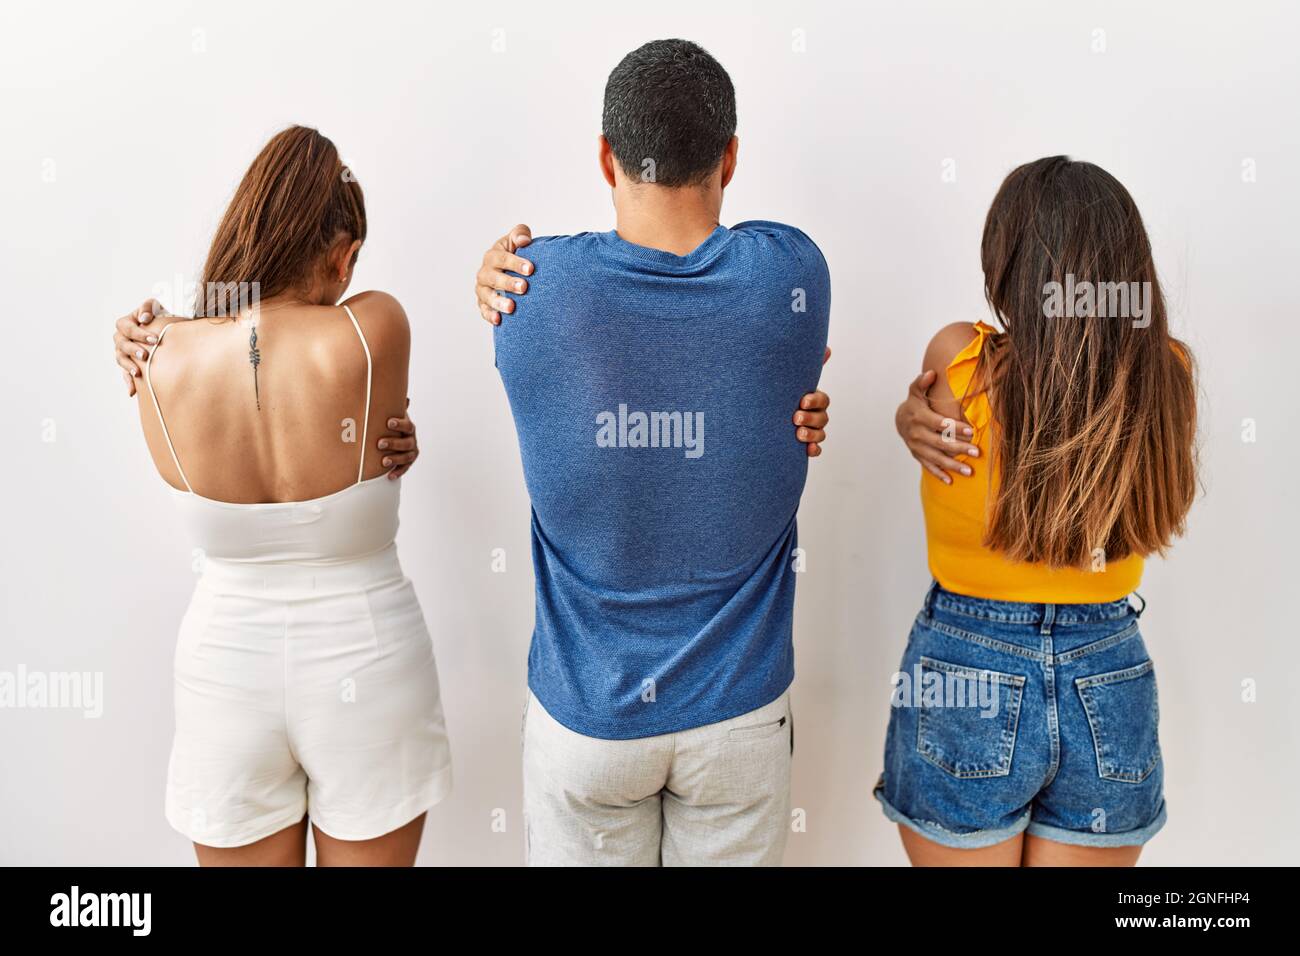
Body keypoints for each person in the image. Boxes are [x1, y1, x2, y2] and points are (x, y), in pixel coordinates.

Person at [475, 39, 831, 866]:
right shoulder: (794, 273)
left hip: (587, 721)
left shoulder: (525, 286)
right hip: (738, 718)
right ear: (731, 159)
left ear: (606, 156)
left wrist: (486, 278)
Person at [121, 126, 450, 866]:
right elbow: (362, 424)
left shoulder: (156, 356)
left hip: (224, 673)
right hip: (368, 663)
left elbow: (224, 332)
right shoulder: (373, 328)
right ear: (343, 254)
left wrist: (154, 324)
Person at [879, 156, 1197, 865]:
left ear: (1010, 263)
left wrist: (910, 414)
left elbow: (978, 430)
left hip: (969, 661)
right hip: (1108, 669)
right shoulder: (1166, 374)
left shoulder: (958, 358)